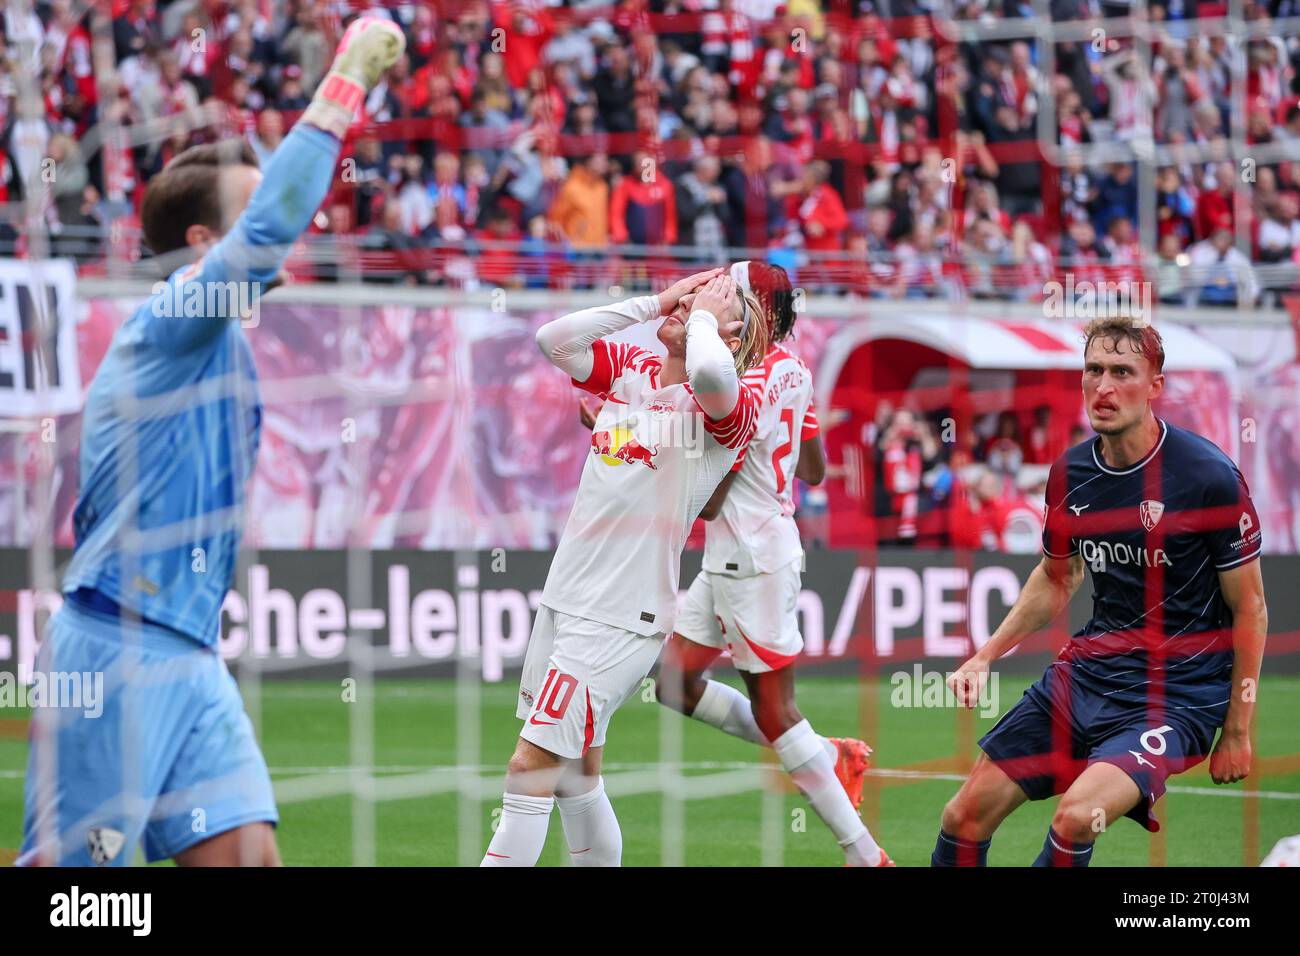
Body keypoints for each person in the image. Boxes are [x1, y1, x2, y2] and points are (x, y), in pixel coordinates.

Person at [19, 17, 406, 868]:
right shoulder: (169, 318)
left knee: (246, 859)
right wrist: (341, 87)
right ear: (201, 247)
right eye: (251, 198)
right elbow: (266, 234)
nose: (280, 211)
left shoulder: (218, 342)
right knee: (80, 891)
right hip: (117, 639)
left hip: (189, 651)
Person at [933, 316, 1267, 866]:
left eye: (1122, 371)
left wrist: (1237, 728)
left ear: (1155, 385)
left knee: (1075, 817)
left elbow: (1250, 607)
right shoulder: (1071, 474)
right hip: (1088, 674)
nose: (1104, 386)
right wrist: (985, 655)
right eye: (1093, 370)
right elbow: (1056, 577)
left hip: (1175, 695)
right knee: (962, 817)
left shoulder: (1208, 476)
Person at [482, 270, 768, 867]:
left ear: (727, 332)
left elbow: (713, 371)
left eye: (701, 304)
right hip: (566, 599)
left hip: (618, 618)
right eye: (686, 298)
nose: (685, 305)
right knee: (575, 775)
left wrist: (704, 323)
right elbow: (552, 340)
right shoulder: (632, 372)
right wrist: (657, 302)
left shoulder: (727, 409)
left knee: (528, 769)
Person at [656, 260, 892, 867]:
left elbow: (710, 495)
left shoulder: (743, 383)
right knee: (674, 683)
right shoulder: (794, 370)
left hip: (751, 559)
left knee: (775, 710)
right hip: (743, 553)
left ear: (753, 310)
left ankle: (866, 855)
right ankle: (828, 754)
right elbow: (811, 468)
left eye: (732, 296)